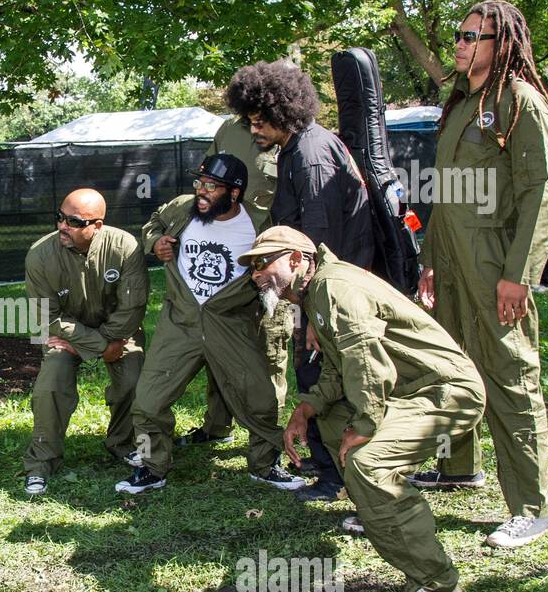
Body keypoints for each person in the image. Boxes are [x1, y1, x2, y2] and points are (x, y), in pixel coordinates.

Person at [247, 227, 486, 592]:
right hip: (411, 390)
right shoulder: (320, 290)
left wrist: (367, 423)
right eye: (252, 267)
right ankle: (377, 509)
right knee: (332, 424)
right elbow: (340, 368)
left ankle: (437, 585)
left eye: (262, 262)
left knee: (367, 461)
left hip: (445, 391)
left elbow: (367, 363)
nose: (255, 274)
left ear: (294, 259)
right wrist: (308, 407)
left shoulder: (334, 289)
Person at [414, 0, 548, 549]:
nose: (460, 42)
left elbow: (543, 192)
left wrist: (519, 275)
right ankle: (458, 467)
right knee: (451, 367)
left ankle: (532, 505)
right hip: (451, 265)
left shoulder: (518, 102)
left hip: (494, 265)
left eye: (473, 36)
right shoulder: (461, 105)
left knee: (510, 376)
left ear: (503, 44)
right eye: (459, 33)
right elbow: (446, 197)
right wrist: (430, 260)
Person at [226, 59, 373, 503]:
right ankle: (330, 468)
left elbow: (317, 241)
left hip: (331, 293)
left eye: (260, 121)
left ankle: (336, 479)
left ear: (284, 111)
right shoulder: (299, 147)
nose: (254, 131)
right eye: (249, 121)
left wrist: (314, 312)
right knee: (318, 375)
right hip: (322, 291)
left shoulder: (310, 155)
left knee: (318, 376)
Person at [117, 154, 303, 494]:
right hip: (181, 321)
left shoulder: (260, 222)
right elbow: (153, 224)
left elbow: (285, 262)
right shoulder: (181, 209)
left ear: (234, 193)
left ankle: (264, 465)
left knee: (261, 400)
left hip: (233, 322)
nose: (201, 192)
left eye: (211, 187)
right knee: (147, 401)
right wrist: (155, 243)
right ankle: (150, 465)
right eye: (199, 183)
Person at [175, 112, 292, 452]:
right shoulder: (229, 128)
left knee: (268, 349)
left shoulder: (289, 131)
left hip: (268, 258)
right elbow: (207, 175)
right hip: (225, 247)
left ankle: (269, 438)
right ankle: (217, 426)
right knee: (216, 341)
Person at [22, 188, 148, 495]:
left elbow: (133, 306)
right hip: (64, 334)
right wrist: (97, 345)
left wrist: (110, 341)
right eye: (60, 217)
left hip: (118, 332)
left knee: (133, 380)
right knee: (50, 383)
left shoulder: (125, 246)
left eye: (74, 221)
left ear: (97, 225)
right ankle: (40, 462)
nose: (62, 226)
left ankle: (123, 442)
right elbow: (47, 317)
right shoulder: (40, 255)